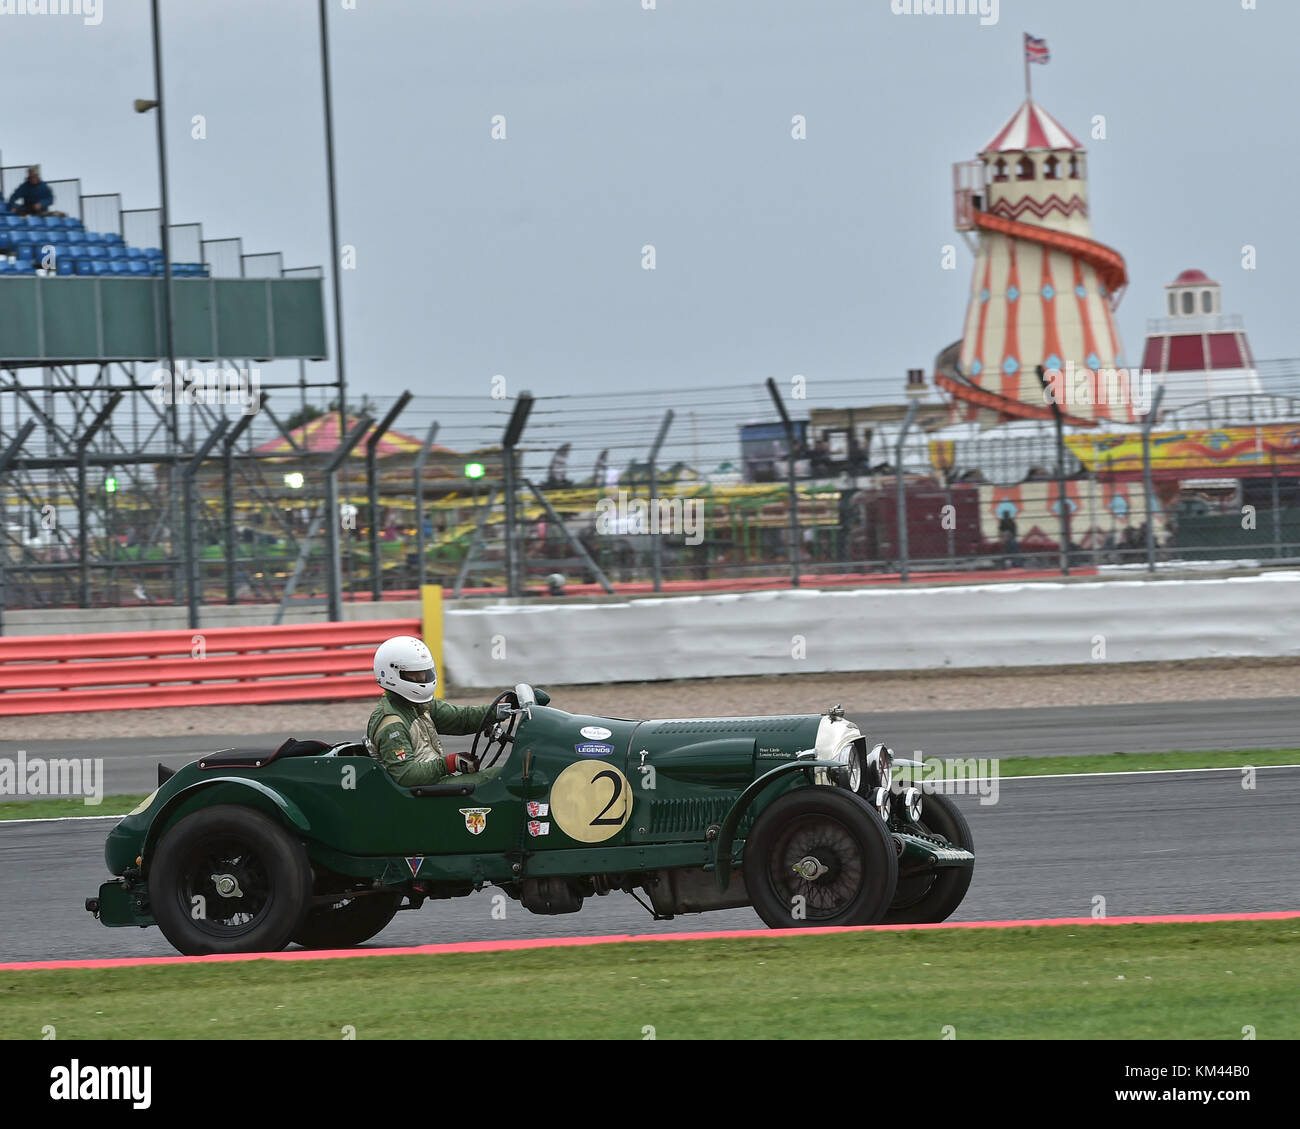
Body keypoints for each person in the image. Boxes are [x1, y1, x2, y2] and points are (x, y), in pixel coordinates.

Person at [366, 635, 494, 786]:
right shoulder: (392, 722)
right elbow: (406, 776)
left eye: (424, 672)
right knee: (497, 779)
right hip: (421, 793)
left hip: (433, 786)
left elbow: (461, 718)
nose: (422, 677)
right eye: (413, 674)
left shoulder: (417, 705)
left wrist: (496, 711)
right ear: (390, 674)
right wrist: (450, 763)